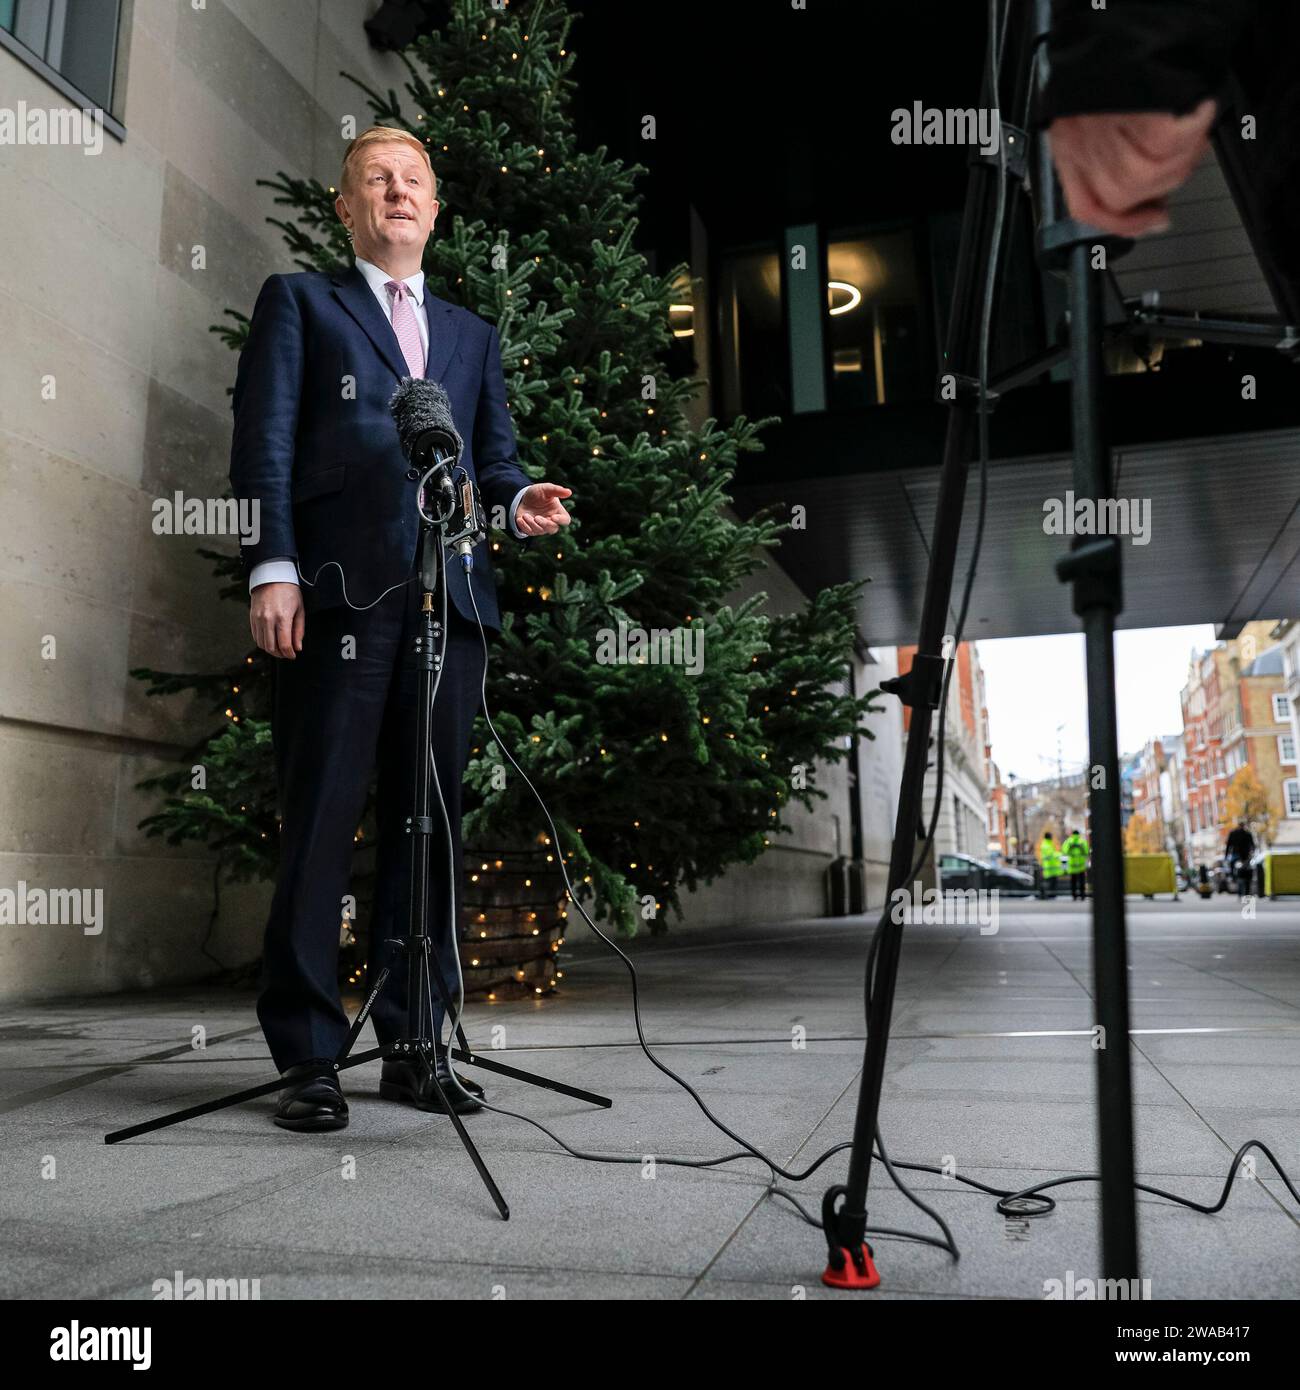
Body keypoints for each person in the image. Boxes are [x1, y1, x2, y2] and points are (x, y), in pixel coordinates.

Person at [230, 127, 573, 1131]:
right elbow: (266, 443)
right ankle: (306, 1056)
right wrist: (275, 567)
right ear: (345, 208)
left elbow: (492, 460)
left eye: (414, 177)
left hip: (449, 607)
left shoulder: (470, 335)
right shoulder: (302, 302)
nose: (397, 189)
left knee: (429, 830)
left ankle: (414, 1043)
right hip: (336, 598)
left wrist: (517, 505)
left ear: (435, 207)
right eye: (376, 177)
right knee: (323, 823)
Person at [1224, 821, 1256, 898]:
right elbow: (1253, 845)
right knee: (1246, 872)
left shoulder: (1234, 833)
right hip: (1244, 856)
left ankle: (1233, 877)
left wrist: (1226, 855)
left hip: (1239, 856)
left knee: (1236, 870)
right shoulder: (1247, 834)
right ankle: (1235, 878)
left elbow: (1228, 845)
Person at [1062, 827, 1089, 900]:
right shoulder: (1082, 842)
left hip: (1072, 866)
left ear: (1072, 834)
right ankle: (1082, 896)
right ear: (1078, 834)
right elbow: (1086, 852)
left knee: (1073, 882)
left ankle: (1074, 896)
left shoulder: (1068, 841)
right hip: (1081, 866)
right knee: (1082, 882)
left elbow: (1064, 851)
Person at [1037, 831, 1063, 899]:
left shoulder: (1047, 844)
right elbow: (1052, 855)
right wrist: (1060, 854)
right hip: (1050, 867)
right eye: (1051, 836)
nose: (1052, 838)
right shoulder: (1047, 845)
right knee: (1051, 882)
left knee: (1052, 882)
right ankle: (1051, 895)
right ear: (1049, 837)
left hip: (1051, 867)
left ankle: (1052, 894)